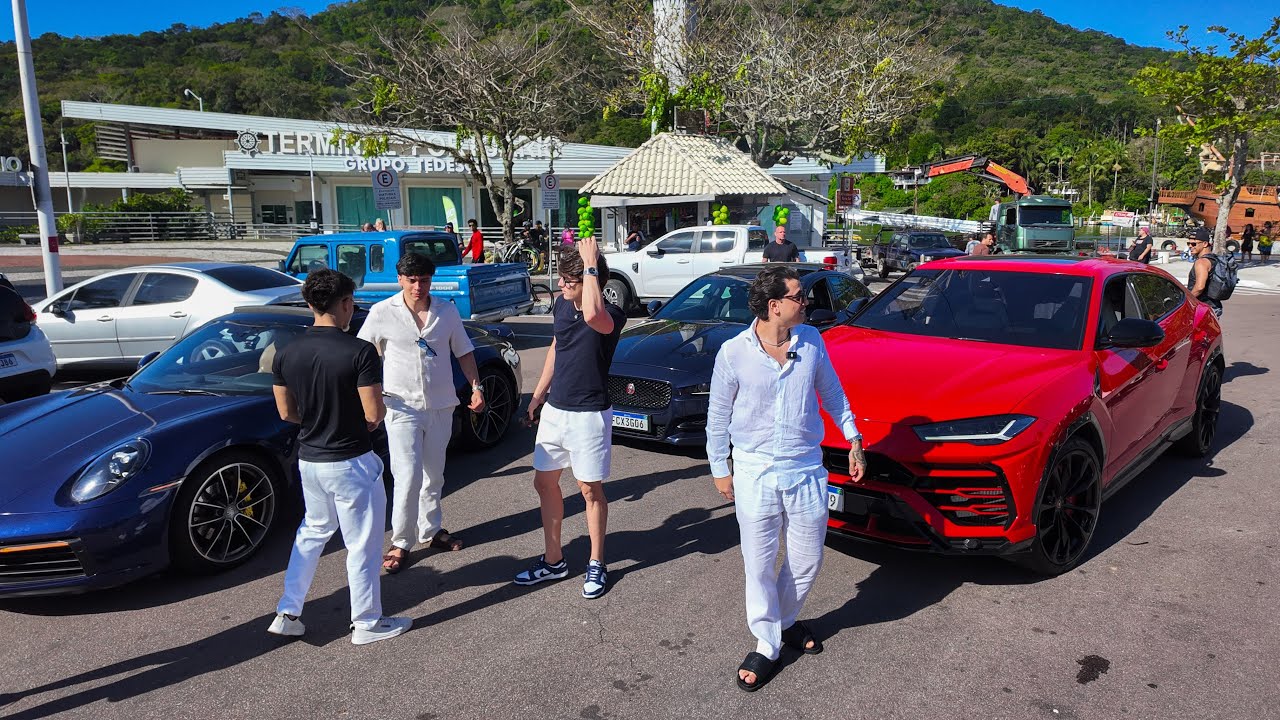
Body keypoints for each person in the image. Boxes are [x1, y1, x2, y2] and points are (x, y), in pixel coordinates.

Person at [706, 265, 865, 692]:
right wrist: (720, 467)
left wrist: (852, 436)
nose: (807, 302)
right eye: (799, 297)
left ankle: (784, 621)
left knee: (808, 557)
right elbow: (717, 417)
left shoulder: (811, 342)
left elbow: (831, 391)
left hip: (805, 467)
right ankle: (767, 642)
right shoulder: (733, 352)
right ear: (775, 306)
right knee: (758, 564)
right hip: (755, 470)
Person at [268, 269, 411, 645]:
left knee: (311, 533)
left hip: (310, 460)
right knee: (361, 543)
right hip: (350, 460)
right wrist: (346, 424)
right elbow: (373, 415)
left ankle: (288, 610)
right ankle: (366, 622)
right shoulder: (359, 351)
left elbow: (286, 412)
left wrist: (317, 421)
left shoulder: (286, 353)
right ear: (345, 303)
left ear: (309, 303)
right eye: (351, 303)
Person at [514, 235, 627, 599]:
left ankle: (596, 563)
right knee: (543, 483)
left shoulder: (612, 315)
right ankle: (553, 561)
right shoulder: (562, 307)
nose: (560, 285)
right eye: (561, 279)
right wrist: (538, 394)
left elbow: (594, 314)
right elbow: (556, 347)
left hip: (589, 415)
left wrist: (592, 263)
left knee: (589, 490)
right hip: (556, 411)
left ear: (592, 281)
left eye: (569, 280)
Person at [358, 252, 485, 574]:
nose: (418, 287)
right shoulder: (382, 312)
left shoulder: (446, 311)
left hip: (441, 405)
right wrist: (367, 403)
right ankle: (401, 540)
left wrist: (476, 387)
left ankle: (431, 529)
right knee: (407, 476)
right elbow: (364, 359)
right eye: (412, 280)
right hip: (400, 407)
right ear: (400, 279)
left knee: (434, 474)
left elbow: (464, 351)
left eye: (424, 280)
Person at [1186, 227, 1223, 317]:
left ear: (1205, 244)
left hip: (1203, 308)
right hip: (1214, 306)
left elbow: (1199, 287)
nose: (1190, 246)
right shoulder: (1214, 258)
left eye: (1194, 243)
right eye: (1188, 243)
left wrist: (1187, 300)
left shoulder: (1201, 262)